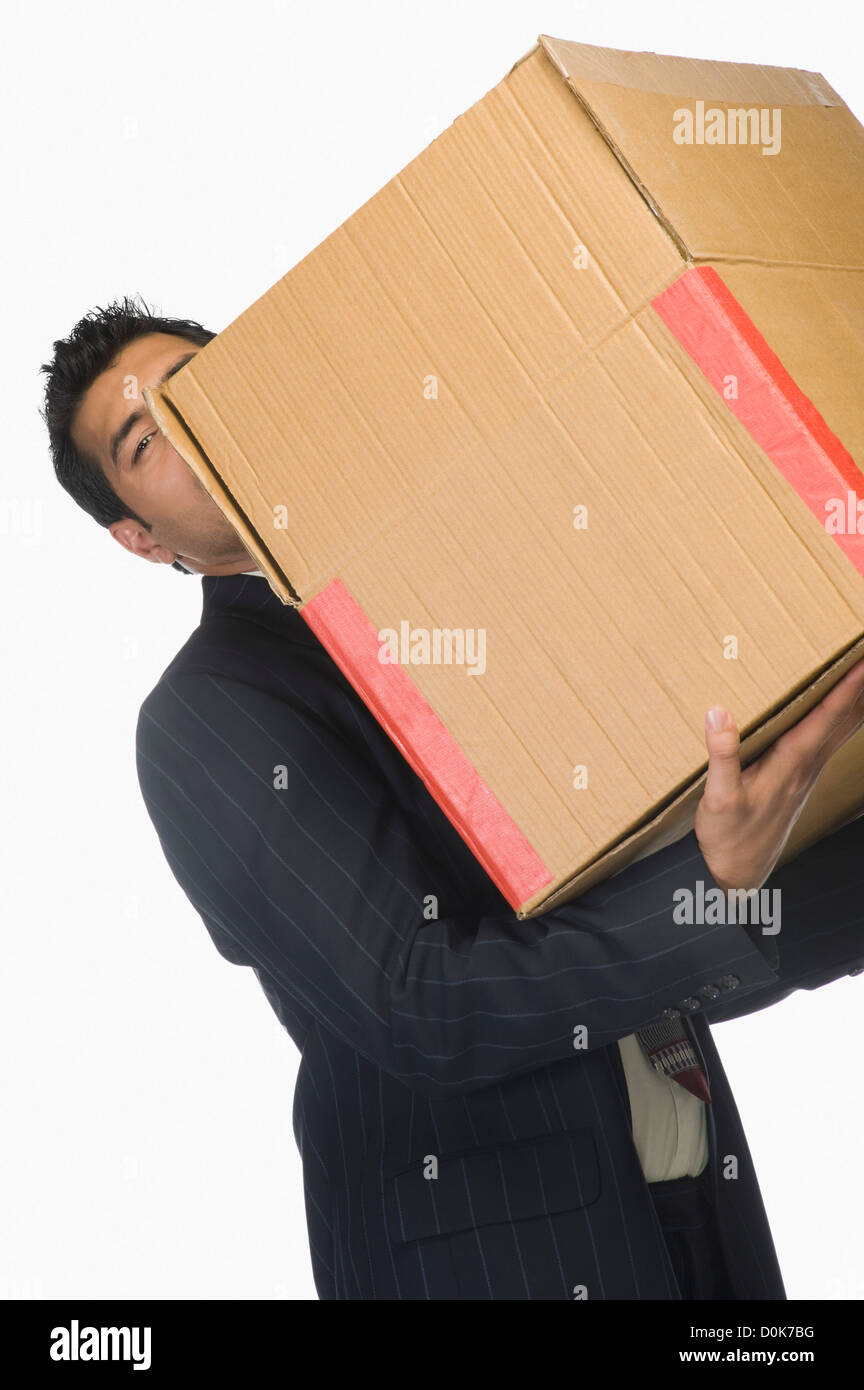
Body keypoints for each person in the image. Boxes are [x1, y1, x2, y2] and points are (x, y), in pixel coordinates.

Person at [40, 297, 864, 1300]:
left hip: (694, 1207)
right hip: (492, 1255)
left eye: (198, 387)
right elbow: (422, 1003)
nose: (192, 427)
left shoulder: (468, 607)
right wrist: (715, 886)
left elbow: (640, 899)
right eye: (144, 439)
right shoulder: (203, 718)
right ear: (140, 538)